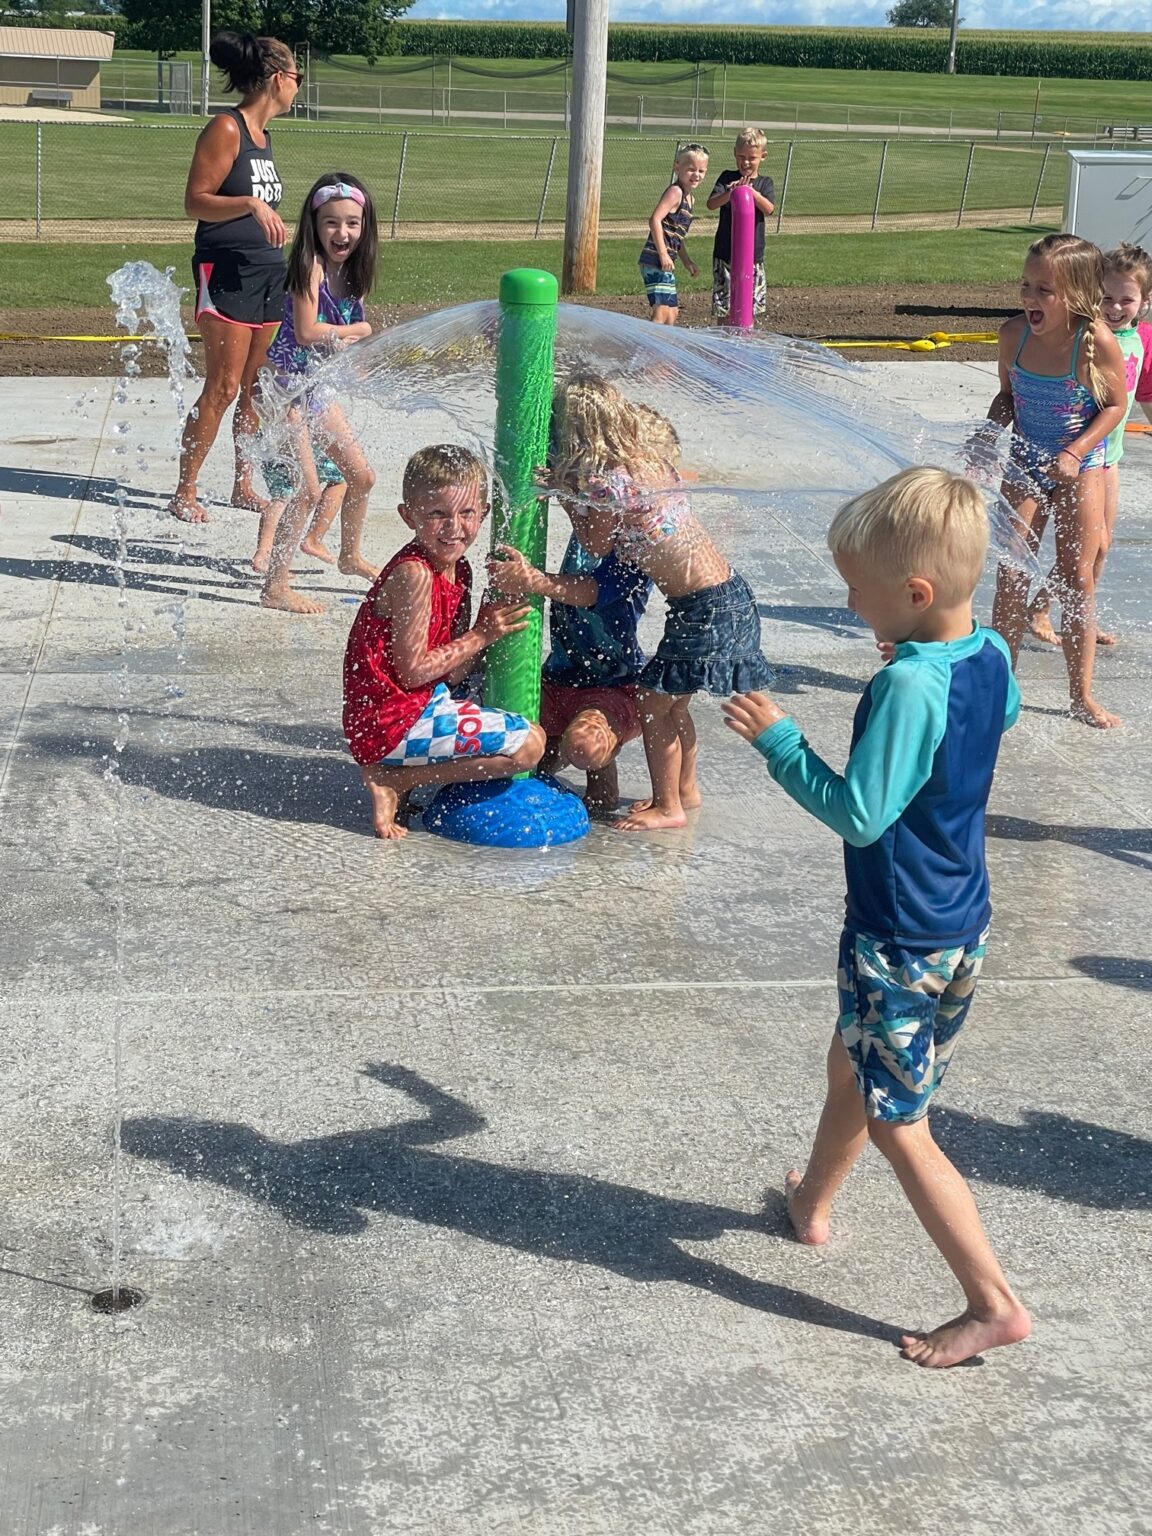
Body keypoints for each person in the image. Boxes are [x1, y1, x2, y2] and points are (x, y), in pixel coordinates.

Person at [723, 466, 1032, 1370]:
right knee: (851, 1061)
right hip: (958, 921)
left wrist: (781, 743)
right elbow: (996, 722)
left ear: (916, 592)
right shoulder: (991, 654)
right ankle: (811, 1205)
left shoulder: (906, 687)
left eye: (858, 590)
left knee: (902, 1124)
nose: (850, 603)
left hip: (900, 932)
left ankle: (992, 1303)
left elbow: (861, 812)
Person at [545, 375, 772, 832]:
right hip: (730, 594)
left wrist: (563, 495)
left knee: (652, 702)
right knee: (674, 706)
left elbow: (595, 542)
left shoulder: (606, 484)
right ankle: (686, 789)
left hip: (701, 607)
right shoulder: (652, 465)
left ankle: (669, 806)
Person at [342, 445, 546, 840]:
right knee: (528, 747)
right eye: (437, 514)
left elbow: (451, 671)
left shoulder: (460, 570)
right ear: (408, 516)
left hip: (415, 702)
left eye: (467, 513)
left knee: (507, 706)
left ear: (484, 513)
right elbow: (414, 669)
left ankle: (401, 776)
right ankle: (395, 780)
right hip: (388, 721)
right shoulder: (415, 575)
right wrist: (481, 634)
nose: (454, 527)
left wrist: (483, 634)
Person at [978, 233, 1126, 729]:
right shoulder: (1012, 335)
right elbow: (1007, 398)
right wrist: (986, 434)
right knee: (1011, 568)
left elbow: (1115, 407)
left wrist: (1074, 450)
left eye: (1045, 290)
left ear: (1077, 294)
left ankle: (1081, 696)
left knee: (1077, 578)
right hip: (1024, 462)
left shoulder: (1095, 342)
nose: (1029, 298)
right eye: (1026, 285)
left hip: (1080, 466)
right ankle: (1001, 687)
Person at [168, 30, 299, 525]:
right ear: (276, 78)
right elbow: (194, 201)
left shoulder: (265, 138)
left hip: (268, 275)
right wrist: (248, 202)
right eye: (296, 77)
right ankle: (185, 489)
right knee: (222, 387)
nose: (298, 87)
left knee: (256, 389)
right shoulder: (227, 129)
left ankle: (243, 483)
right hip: (226, 272)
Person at [261, 172, 380, 614]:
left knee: (362, 477)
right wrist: (360, 330)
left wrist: (360, 361)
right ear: (314, 225)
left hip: (316, 388)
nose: (342, 232)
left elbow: (342, 342)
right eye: (331, 222)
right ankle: (275, 586)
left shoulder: (353, 274)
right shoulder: (309, 267)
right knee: (307, 489)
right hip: (284, 390)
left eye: (352, 222)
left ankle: (349, 556)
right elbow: (310, 331)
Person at [1027, 241, 1152, 649]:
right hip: (1080, 456)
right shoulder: (1086, 338)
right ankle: (1045, 611)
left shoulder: (1143, 341)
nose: (1115, 307)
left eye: (1126, 300)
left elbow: (1144, 394)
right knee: (1084, 547)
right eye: (1106, 298)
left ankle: (1078, 614)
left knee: (1101, 547)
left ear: (1144, 302)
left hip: (1109, 457)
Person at [487, 531, 652, 820]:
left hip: (613, 686)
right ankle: (562, 748)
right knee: (518, 755)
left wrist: (533, 580)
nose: (582, 518)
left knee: (584, 746)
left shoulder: (636, 542)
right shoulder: (590, 523)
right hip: (558, 679)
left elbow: (591, 591)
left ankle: (601, 780)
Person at [705, 127, 775, 324]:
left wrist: (750, 193)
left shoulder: (764, 183)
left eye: (751, 158)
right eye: (741, 156)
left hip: (753, 256)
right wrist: (733, 192)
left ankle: (746, 339)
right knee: (724, 308)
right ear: (734, 153)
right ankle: (724, 341)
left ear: (763, 156)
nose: (745, 162)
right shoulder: (727, 178)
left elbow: (769, 209)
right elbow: (711, 204)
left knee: (749, 306)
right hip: (725, 254)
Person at [639, 143, 709, 326]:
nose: (696, 175)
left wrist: (686, 261)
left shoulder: (690, 199)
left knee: (672, 313)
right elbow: (655, 220)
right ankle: (649, 349)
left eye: (701, 171)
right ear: (677, 167)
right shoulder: (675, 192)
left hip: (667, 261)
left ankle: (662, 350)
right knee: (661, 311)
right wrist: (662, 254)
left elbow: (676, 236)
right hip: (655, 259)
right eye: (691, 169)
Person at [251, 450, 346, 573]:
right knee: (340, 479)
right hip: (301, 446)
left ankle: (263, 553)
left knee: (281, 497)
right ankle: (314, 539)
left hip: (269, 444)